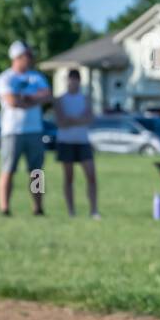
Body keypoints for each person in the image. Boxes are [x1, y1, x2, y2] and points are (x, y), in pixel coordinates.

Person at [0, 41, 50, 217]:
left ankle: (38, 207)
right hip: (12, 131)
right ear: (17, 57)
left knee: (36, 173)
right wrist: (31, 99)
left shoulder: (37, 77)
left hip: (34, 131)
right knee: (8, 169)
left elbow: (46, 95)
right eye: (27, 55)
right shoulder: (5, 78)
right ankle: (5, 208)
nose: (30, 59)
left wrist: (24, 99)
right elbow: (11, 101)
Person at [53, 69, 99, 219]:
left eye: (75, 79)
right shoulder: (60, 99)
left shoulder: (85, 98)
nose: (72, 82)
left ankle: (94, 211)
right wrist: (78, 119)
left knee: (91, 176)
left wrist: (72, 119)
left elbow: (89, 118)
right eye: (70, 79)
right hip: (66, 142)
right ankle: (71, 211)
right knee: (69, 178)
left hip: (83, 142)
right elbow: (61, 122)